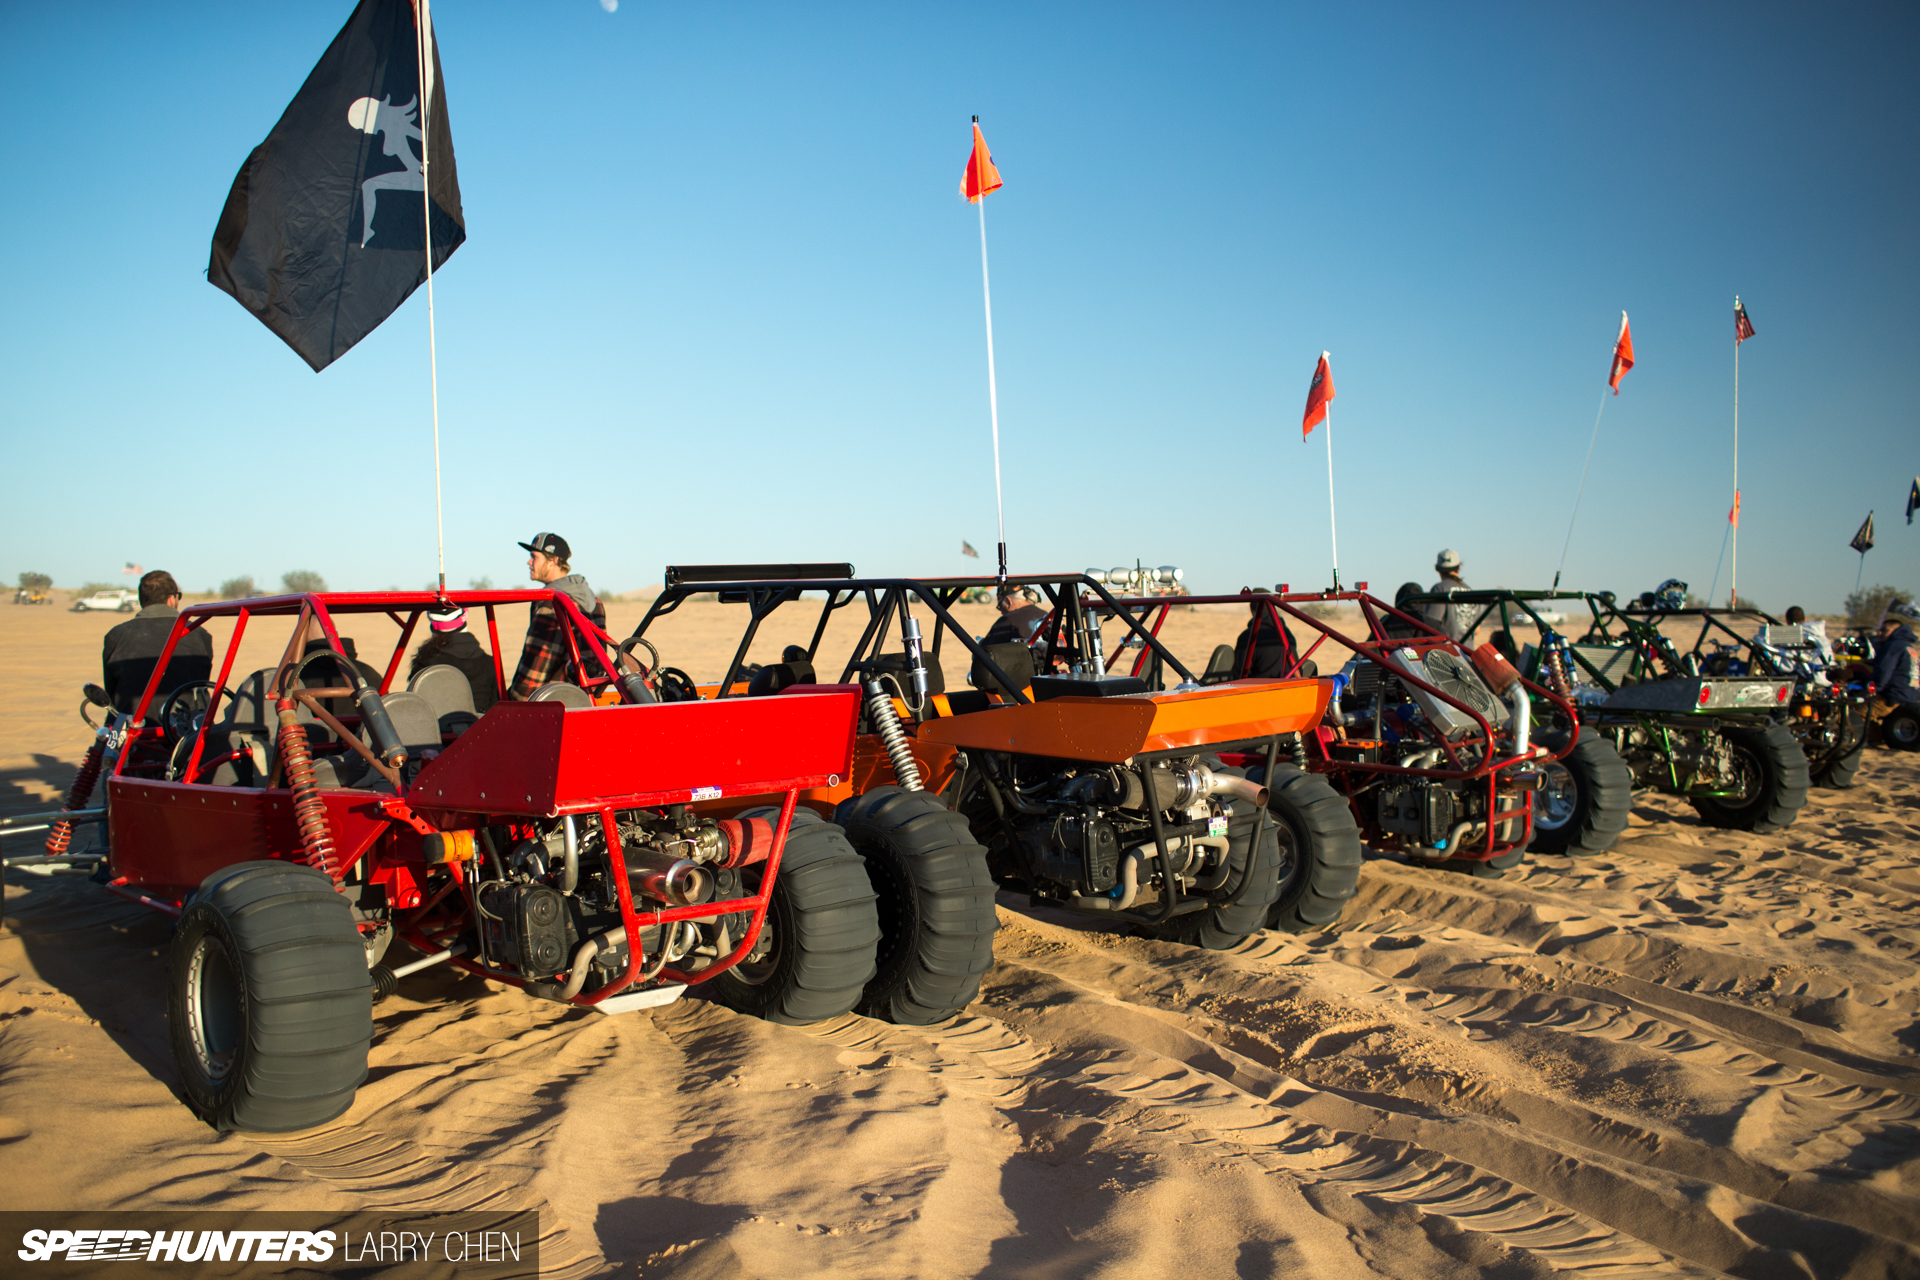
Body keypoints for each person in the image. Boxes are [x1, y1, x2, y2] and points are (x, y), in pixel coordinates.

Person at [101, 570, 214, 715]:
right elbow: (202, 684)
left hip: (131, 728)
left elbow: (111, 690)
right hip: (186, 728)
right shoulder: (198, 633)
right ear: (172, 599)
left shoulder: (116, 635)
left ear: (142, 600)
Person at [510, 532, 607, 699]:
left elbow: (537, 665)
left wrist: (514, 699)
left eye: (534, 557)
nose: (528, 562)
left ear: (553, 561)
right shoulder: (594, 600)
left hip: (555, 701)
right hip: (586, 698)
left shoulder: (552, 603)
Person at [410, 604, 499, 712]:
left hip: (440, 727)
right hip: (483, 726)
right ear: (465, 615)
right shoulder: (490, 663)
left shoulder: (426, 664)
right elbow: (496, 705)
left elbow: (416, 708)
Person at [1866, 600, 1918, 727]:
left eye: (1884, 630)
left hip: (1892, 697)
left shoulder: (1893, 646)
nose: (1880, 633)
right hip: (1909, 696)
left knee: (1855, 712)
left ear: (1895, 631)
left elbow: (1883, 671)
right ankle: (1875, 737)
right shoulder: (1907, 646)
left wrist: (1872, 690)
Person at [1231, 591, 1304, 678]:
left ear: (1252, 610)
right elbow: (1298, 670)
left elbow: (1239, 674)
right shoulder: (1287, 634)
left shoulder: (1248, 637)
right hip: (1289, 687)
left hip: (1258, 689)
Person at [1422, 549, 1473, 643]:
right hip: (1468, 652)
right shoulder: (1470, 591)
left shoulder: (1439, 589)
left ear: (1437, 568)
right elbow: (1476, 629)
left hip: (1449, 652)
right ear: (1459, 567)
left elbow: (1431, 623)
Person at [982, 585, 1047, 646]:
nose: (1001, 611)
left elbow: (985, 654)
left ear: (1008, 602)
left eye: (1000, 606)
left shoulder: (1006, 621)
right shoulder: (1047, 616)